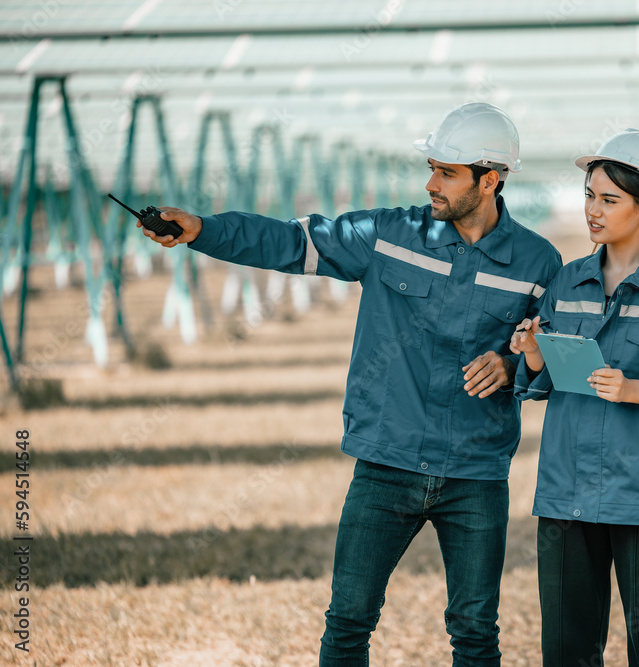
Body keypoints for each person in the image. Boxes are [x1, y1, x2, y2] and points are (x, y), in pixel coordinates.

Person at [139, 102, 562, 666]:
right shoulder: (388, 234)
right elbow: (293, 242)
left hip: (476, 473)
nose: (430, 182)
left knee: (475, 632)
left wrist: (515, 368)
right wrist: (203, 230)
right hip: (385, 464)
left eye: (447, 172)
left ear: (490, 180)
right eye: (432, 167)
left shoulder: (538, 262)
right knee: (347, 623)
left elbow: (549, 364)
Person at [509, 129, 639, 666]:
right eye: (588, 196)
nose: (593, 211)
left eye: (609, 199)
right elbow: (545, 377)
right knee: (566, 649)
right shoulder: (566, 281)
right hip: (567, 490)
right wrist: (533, 354)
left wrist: (638, 390)